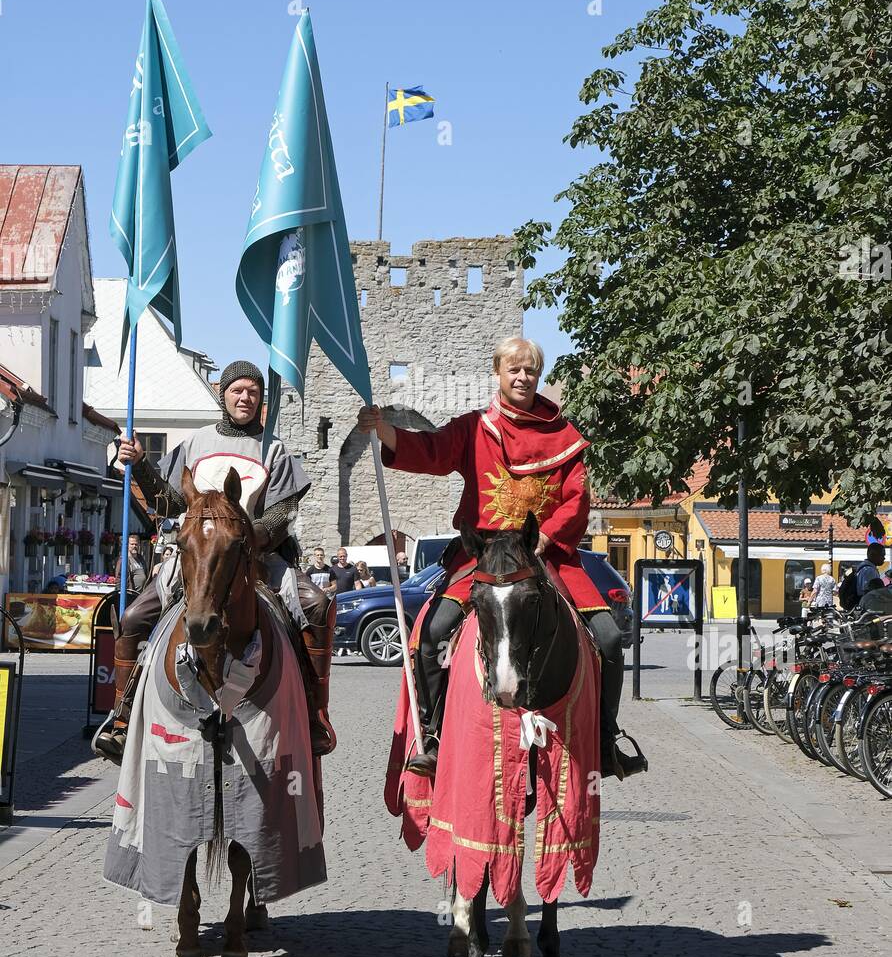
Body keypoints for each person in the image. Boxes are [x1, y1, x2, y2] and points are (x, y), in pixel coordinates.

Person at [357, 334, 641, 781]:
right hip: (484, 554)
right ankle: (432, 738)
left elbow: (576, 499)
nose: (523, 377)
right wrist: (384, 430)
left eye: (530, 370)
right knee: (430, 635)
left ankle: (607, 741)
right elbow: (430, 451)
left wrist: (546, 539)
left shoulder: (563, 436)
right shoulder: (474, 428)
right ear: (499, 373)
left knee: (606, 638)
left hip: (546, 554)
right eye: (515, 369)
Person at [94, 361, 336, 763]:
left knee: (315, 605)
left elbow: (281, 513)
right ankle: (121, 717)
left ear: (262, 400)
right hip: (196, 555)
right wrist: (141, 465)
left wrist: (242, 540)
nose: (245, 398)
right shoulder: (195, 443)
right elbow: (171, 502)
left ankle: (314, 713)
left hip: (258, 554)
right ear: (223, 395)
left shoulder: (274, 449)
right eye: (238, 391)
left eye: (253, 393)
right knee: (135, 616)